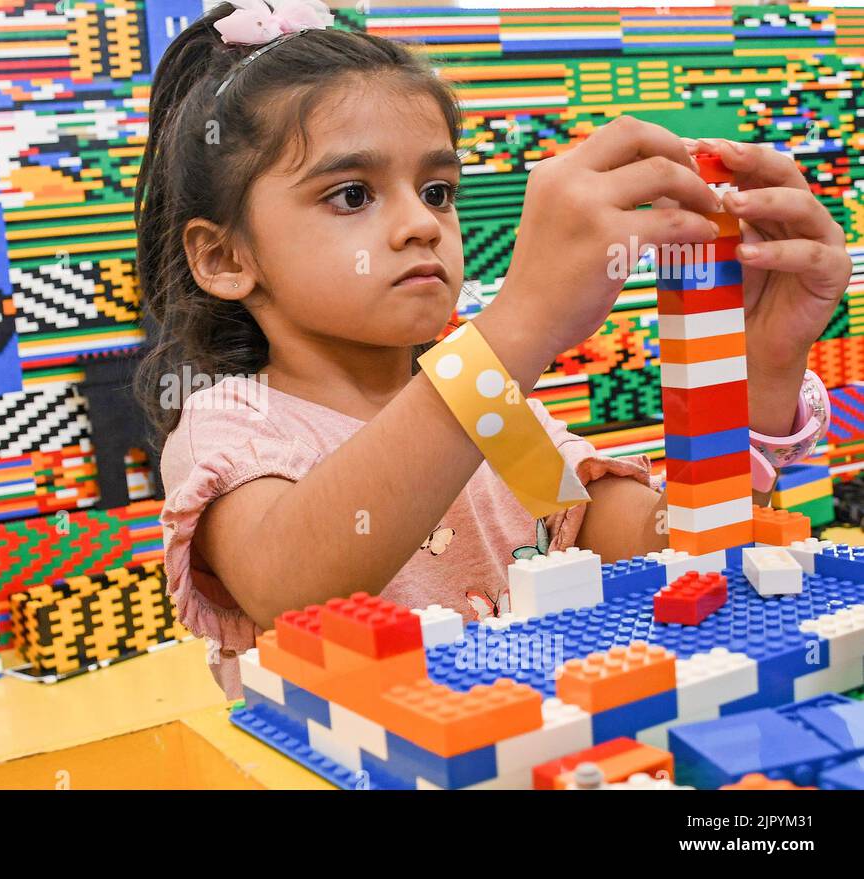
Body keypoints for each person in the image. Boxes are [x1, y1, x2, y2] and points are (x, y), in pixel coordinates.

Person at [133, 0, 850, 697]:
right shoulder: (235, 424)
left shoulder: (503, 426)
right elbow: (293, 587)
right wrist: (522, 322)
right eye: (352, 194)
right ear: (225, 258)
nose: (421, 223)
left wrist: (756, 373)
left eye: (438, 189)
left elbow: (678, 553)